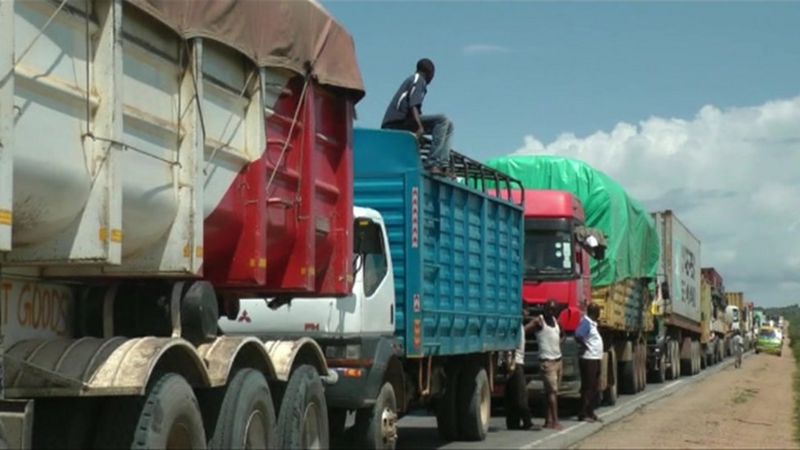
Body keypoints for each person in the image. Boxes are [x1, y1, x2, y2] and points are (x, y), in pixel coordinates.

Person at [381, 58, 454, 176]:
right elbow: (413, 105)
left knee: (449, 126)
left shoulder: (417, 81)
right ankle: (432, 163)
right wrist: (419, 127)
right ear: (430, 72)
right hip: (396, 123)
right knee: (442, 120)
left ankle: (443, 165)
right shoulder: (418, 80)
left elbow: (416, 110)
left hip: (404, 121)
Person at [530, 300, 566, 430]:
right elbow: (525, 330)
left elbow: (563, 335)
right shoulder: (539, 322)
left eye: (553, 310)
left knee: (551, 393)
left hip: (558, 360)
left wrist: (557, 344)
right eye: (549, 309)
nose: (551, 312)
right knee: (552, 392)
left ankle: (548, 420)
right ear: (544, 309)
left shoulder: (556, 322)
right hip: (547, 362)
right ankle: (555, 421)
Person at [505, 314, 541, 430]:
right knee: (521, 395)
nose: (527, 313)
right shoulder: (517, 327)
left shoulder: (516, 325)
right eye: (525, 311)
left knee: (512, 395)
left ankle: (512, 422)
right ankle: (527, 422)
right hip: (516, 363)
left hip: (512, 363)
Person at [575, 303, 604, 423]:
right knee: (588, 387)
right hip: (589, 359)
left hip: (595, 358)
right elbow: (578, 334)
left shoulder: (592, 324)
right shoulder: (586, 322)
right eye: (598, 312)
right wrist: (586, 345)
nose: (599, 314)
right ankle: (584, 412)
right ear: (594, 313)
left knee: (593, 387)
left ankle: (590, 412)